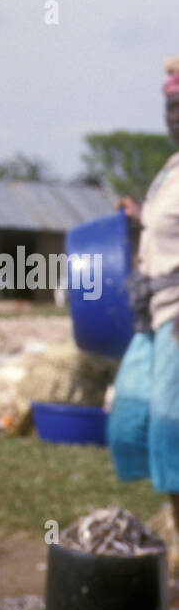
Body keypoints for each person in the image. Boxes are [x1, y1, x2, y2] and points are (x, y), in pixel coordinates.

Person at [108, 56, 179, 537]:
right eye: (170, 106)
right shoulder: (171, 168)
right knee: (132, 417)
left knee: (172, 428)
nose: (173, 115)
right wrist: (138, 219)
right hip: (151, 315)